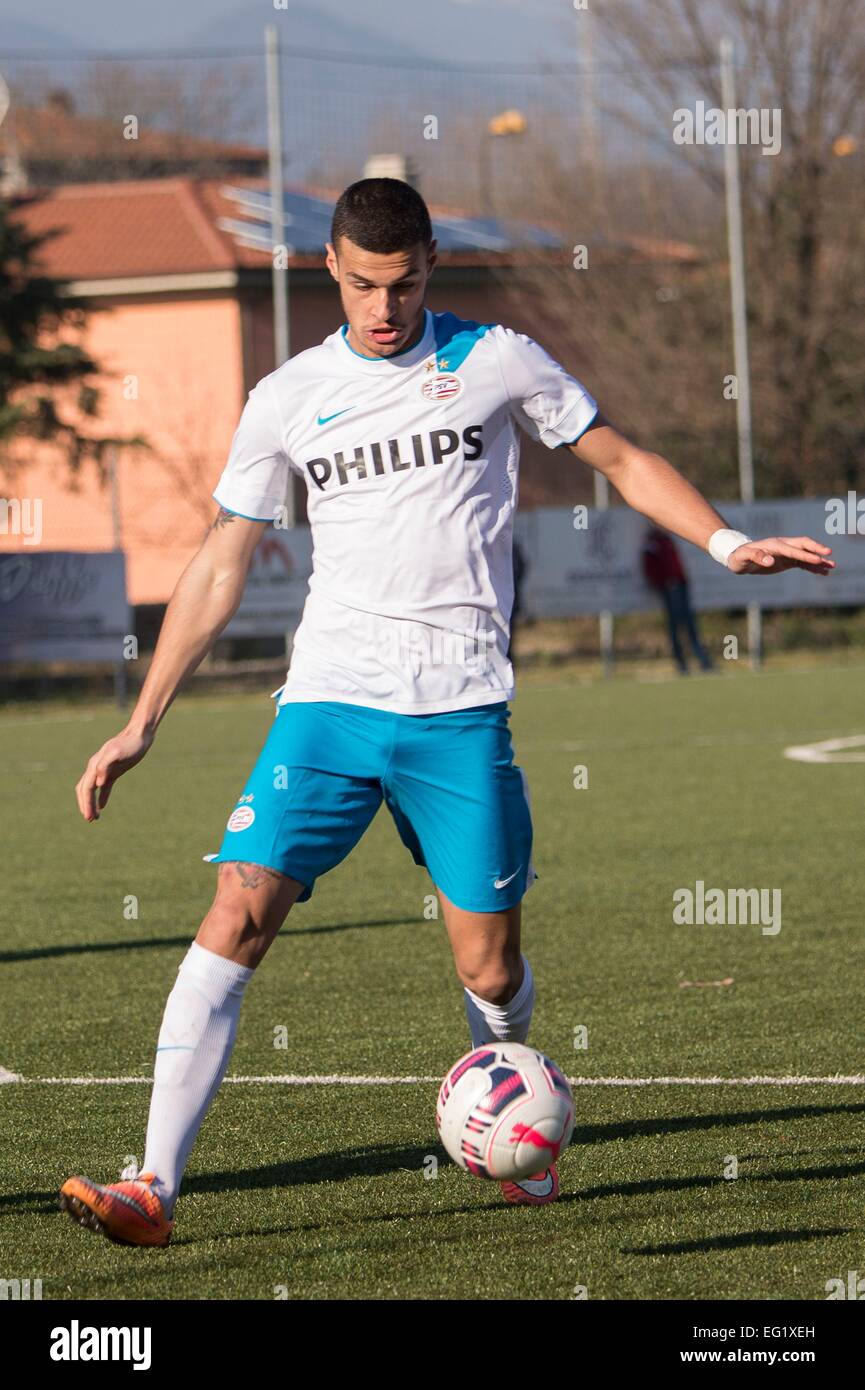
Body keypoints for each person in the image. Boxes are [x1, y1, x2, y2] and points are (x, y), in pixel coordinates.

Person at [60, 178, 834, 1246]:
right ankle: (152, 1181)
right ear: (330, 267)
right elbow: (218, 566)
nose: (386, 307)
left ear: (431, 266)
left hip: (459, 711)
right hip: (327, 705)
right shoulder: (285, 396)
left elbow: (618, 456)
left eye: (407, 282)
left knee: (489, 966)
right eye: (367, 284)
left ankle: (517, 1110)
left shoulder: (495, 358)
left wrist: (723, 542)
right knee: (238, 905)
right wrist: (142, 719)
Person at [642, 524, 713, 673]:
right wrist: (664, 583)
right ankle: (682, 664)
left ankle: (703, 660)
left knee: (690, 625)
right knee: (675, 627)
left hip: (680, 585)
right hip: (670, 588)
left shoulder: (667, 540)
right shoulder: (653, 543)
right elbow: (650, 568)